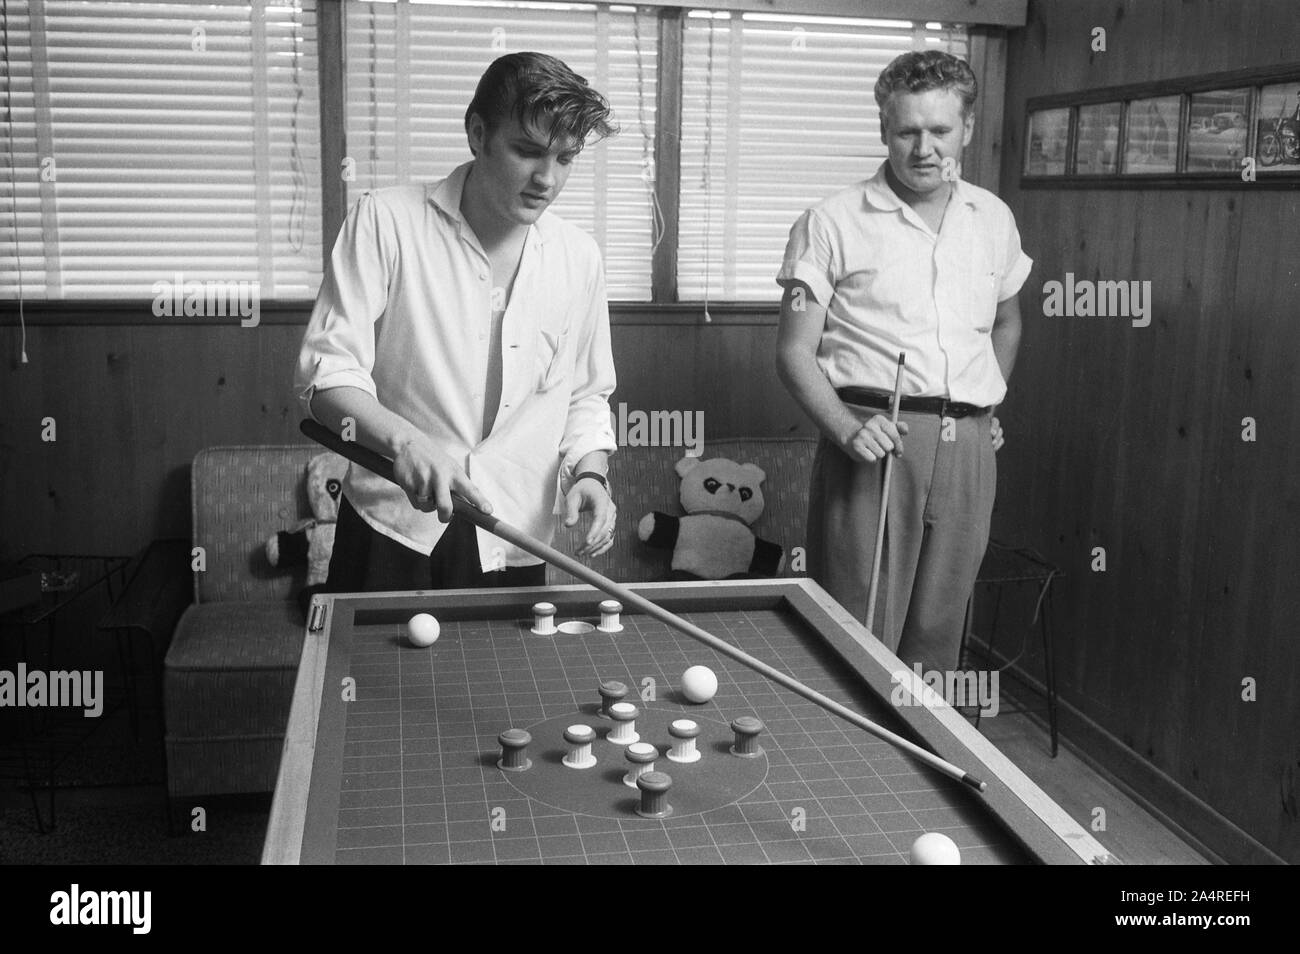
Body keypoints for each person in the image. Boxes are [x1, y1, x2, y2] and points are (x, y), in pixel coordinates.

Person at [294, 52, 620, 594]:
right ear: (477, 133)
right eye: (527, 151)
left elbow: (586, 395)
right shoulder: (385, 221)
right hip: (391, 531)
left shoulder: (579, 256)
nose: (547, 178)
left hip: (515, 537)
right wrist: (405, 443)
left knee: (508, 685)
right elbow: (327, 376)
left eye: (565, 158)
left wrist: (591, 471)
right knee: (372, 684)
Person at [775, 50, 1031, 673]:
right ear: (884, 129)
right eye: (906, 130)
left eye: (939, 130)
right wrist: (845, 427)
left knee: (939, 636)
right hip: (875, 439)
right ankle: (840, 767)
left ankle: (915, 771)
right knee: (855, 629)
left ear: (966, 129)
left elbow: (1006, 321)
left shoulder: (992, 217)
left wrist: (984, 405)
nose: (923, 148)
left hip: (968, 448)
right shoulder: (830, 221)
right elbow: (793, 351)